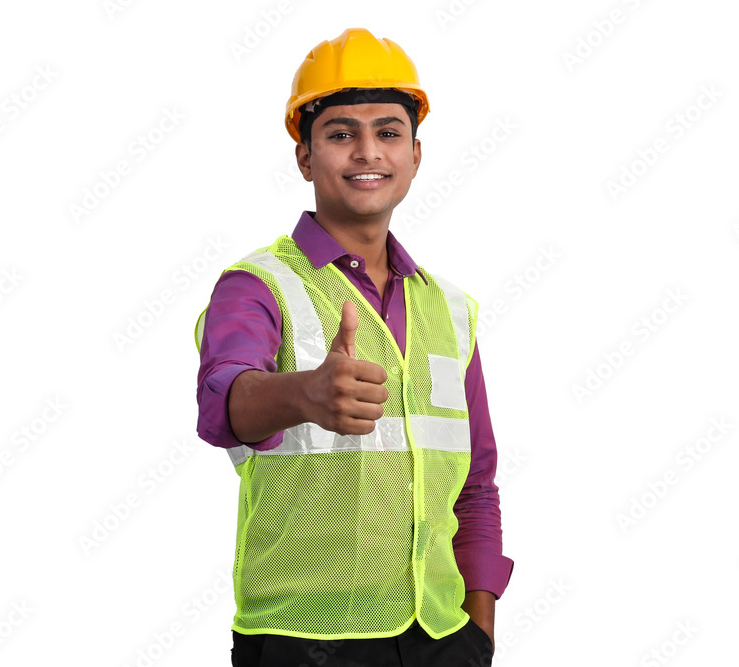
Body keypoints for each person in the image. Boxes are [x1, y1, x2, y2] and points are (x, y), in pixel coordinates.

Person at [194, 27, 513, 667]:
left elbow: (475, 483)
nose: (368, 151)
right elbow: (222, 404)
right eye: (341, 134)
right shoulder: (256, 286)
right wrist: (303, 394)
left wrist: (478, 633)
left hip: (446, 638)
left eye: (388, 132)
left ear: (415, 155)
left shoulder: (450, 309)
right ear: (305, 158)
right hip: (305, 641)